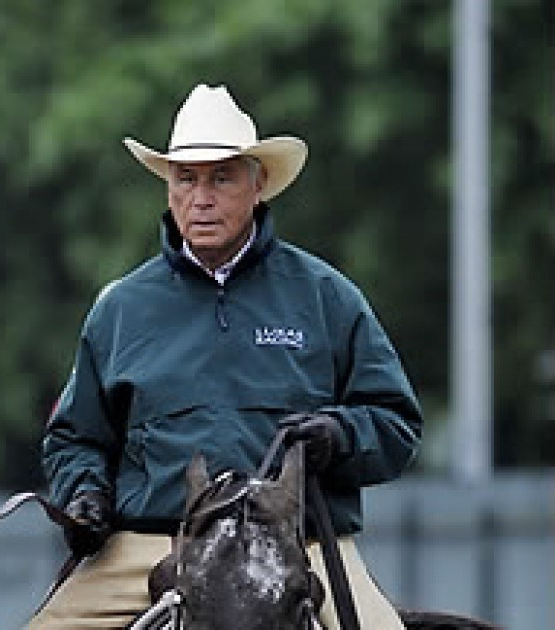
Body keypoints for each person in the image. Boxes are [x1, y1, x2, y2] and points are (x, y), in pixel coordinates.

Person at [30, 84, 423, 629]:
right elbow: (75, 438)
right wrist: (87, 496)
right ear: (168, 187)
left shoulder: (326, 295)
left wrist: (339, 436)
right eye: (186, 178)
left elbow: (397, 424)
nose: (201, 197)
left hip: (297, 544)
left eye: (222, 177)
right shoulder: (120, 307)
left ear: (259, 185)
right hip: (153, 543)